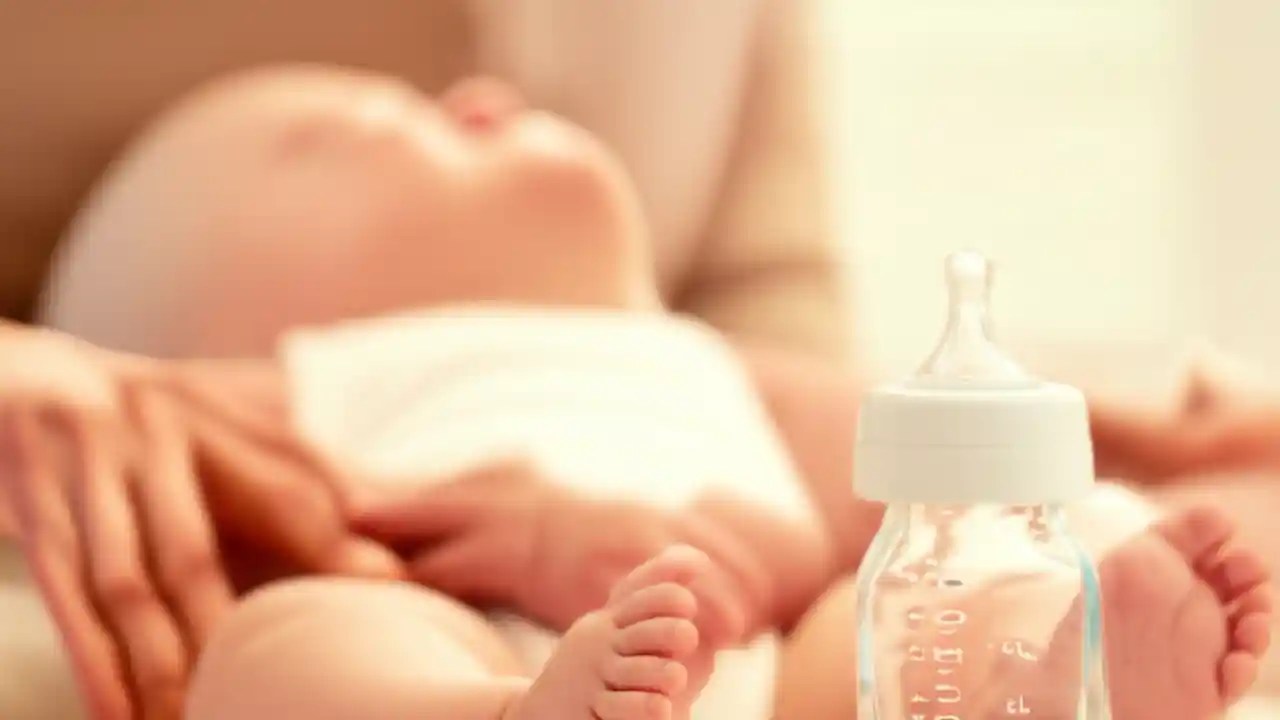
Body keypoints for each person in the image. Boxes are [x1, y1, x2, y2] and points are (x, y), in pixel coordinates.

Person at [1, 67, 1271, 720]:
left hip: (764, 675)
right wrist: (540, 556)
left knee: (906, 589)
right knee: (280, 647)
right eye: (337, 130)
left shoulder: (700, 358)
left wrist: (761, 557)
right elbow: (205, 546)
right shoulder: (254, 391)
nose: (471, 98)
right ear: (212, 298)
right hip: (462, 645)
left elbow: (882, 483)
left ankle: (1047, 675)